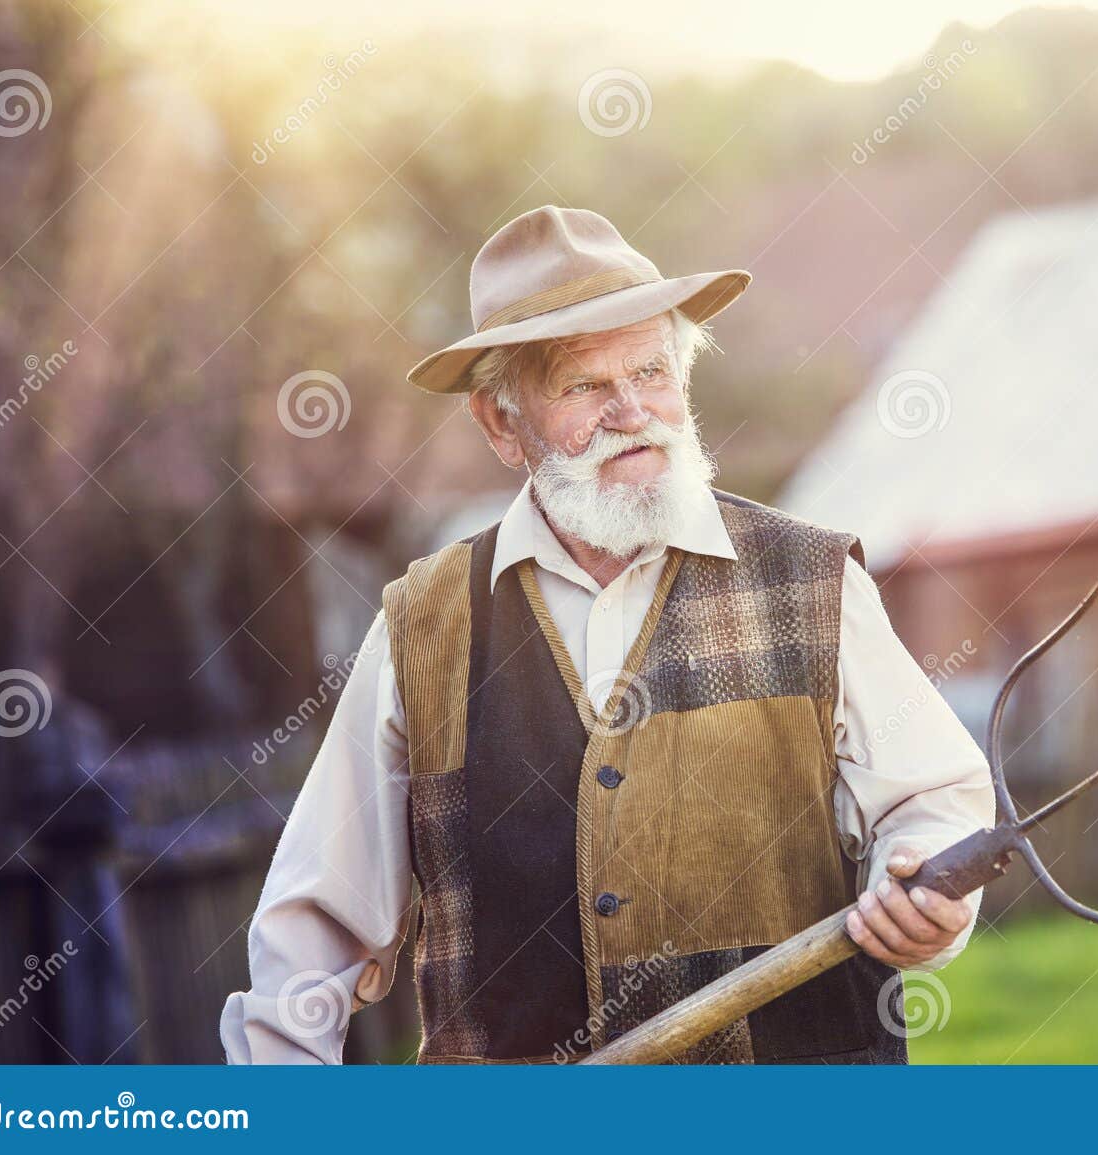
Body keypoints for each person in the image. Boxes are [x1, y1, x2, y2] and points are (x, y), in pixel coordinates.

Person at [220, 205, 994, 1064]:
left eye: (653, 370)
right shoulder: (423, 625)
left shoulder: (811, 580)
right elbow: (313, 927)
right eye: (584, 385)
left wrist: (924, 887)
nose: (633, 410)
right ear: (500, 424)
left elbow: (933, 804)